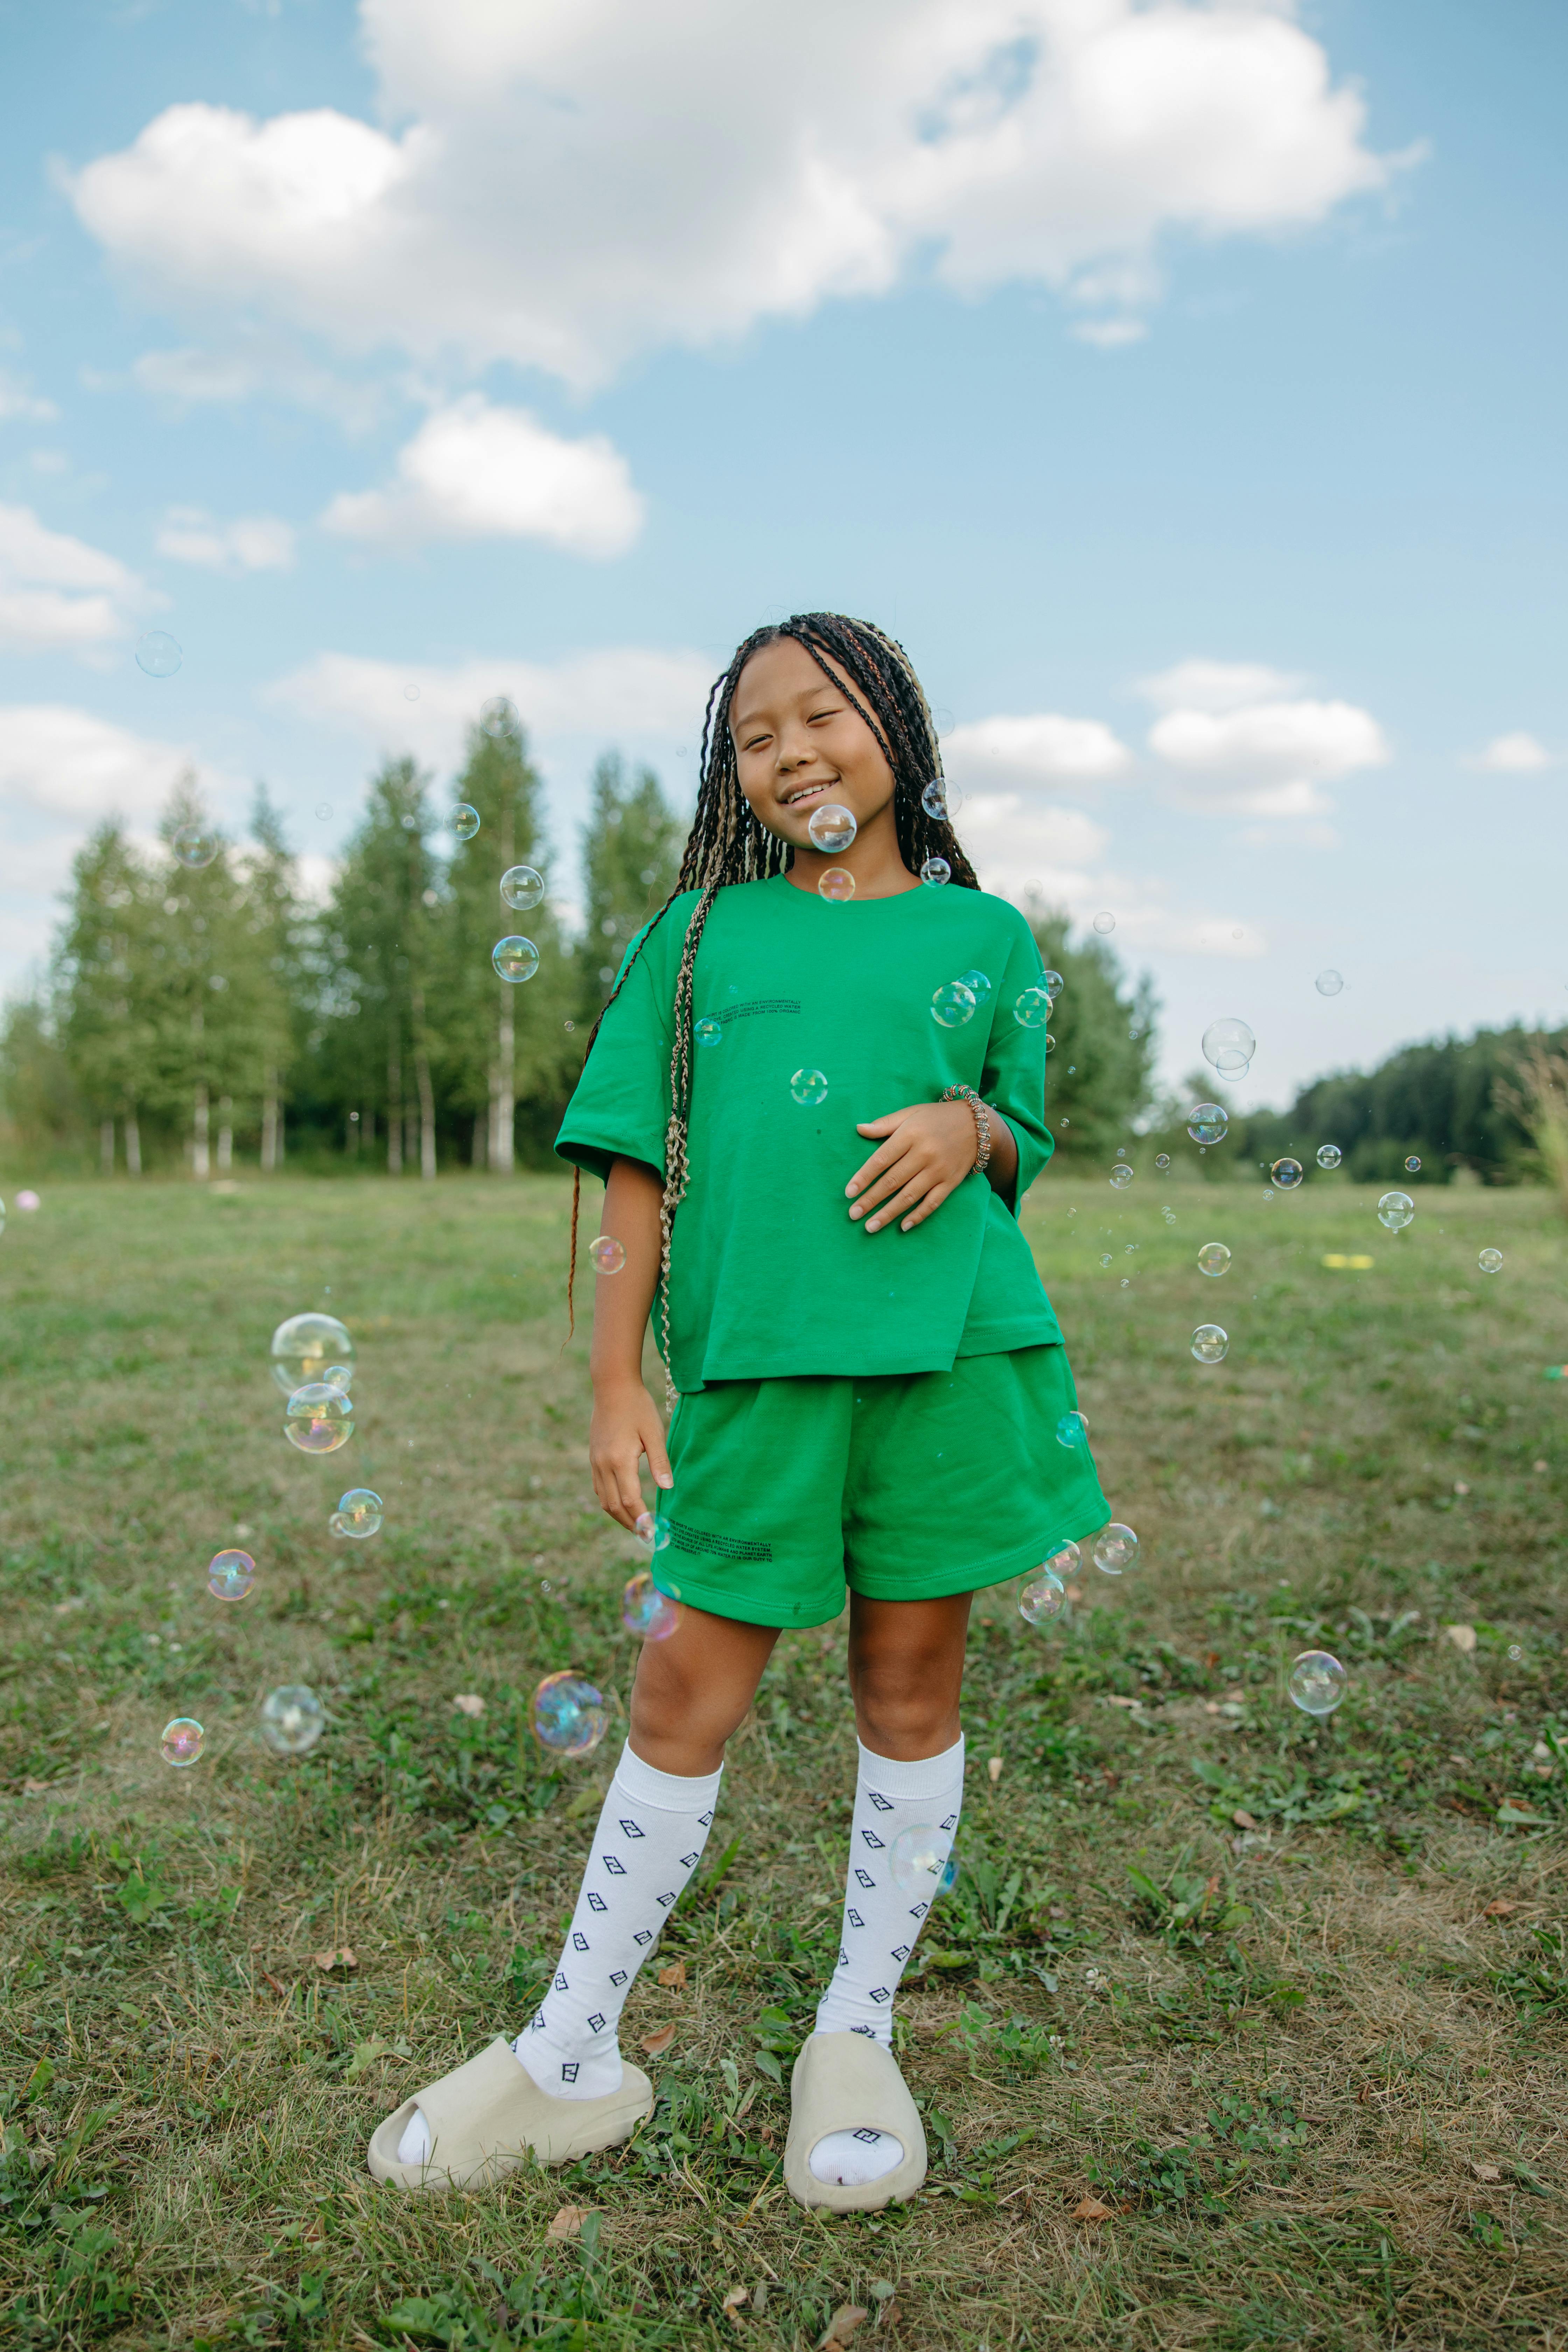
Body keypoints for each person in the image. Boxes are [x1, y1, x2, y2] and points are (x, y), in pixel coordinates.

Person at [369, 612, 1108, 2210]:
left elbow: (1023, 1138)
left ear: (899, 733)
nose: (790, 752)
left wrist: (969, 1118)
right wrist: (617, 1376)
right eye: (754, 736)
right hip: (756, 1370)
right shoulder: (698, 936)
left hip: (950, 1357)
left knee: (910, 1687)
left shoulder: (987, 936)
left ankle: (855, 2032)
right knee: (677, 1695)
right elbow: (636, 1163)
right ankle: (571, 2051)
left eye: (824, 716)